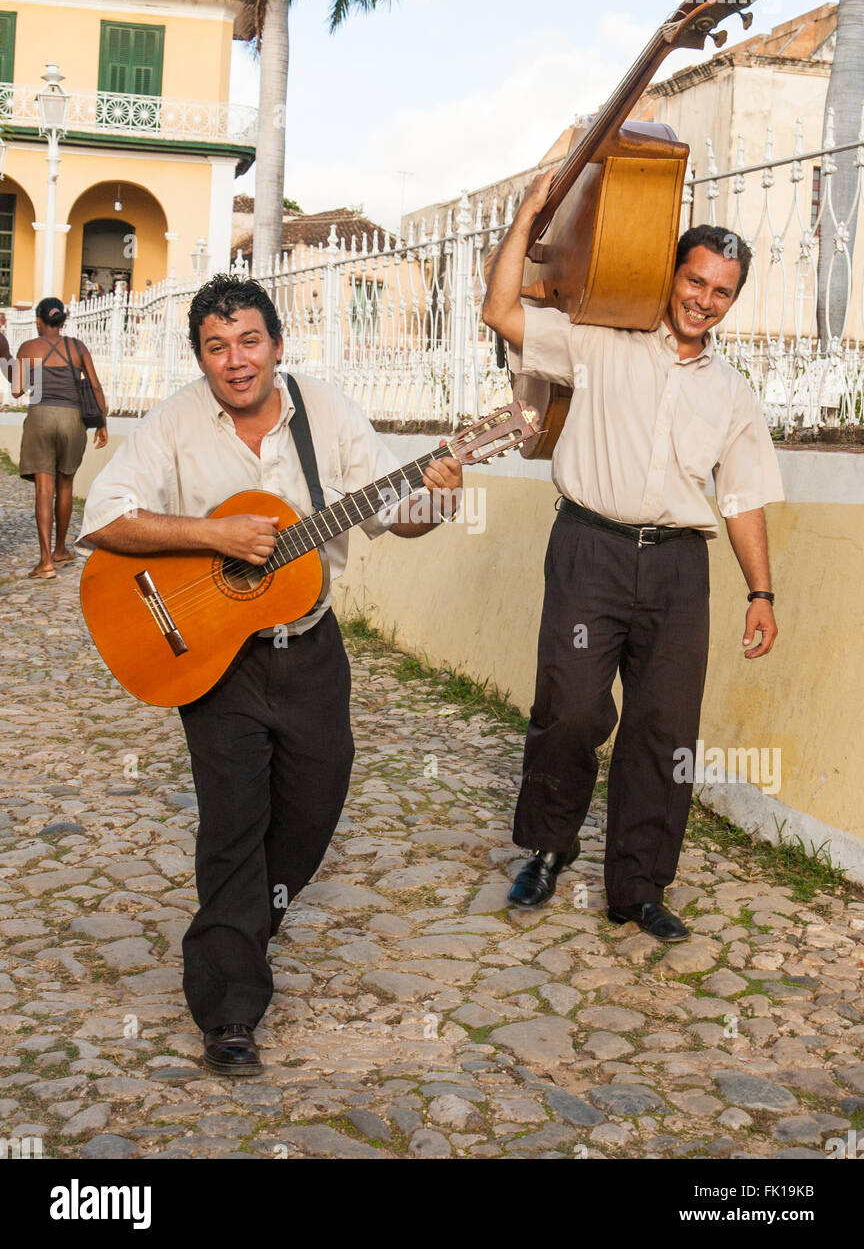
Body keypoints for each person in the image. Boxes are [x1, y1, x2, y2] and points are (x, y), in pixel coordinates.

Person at [77, 274, 463, 1074]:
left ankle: (241, 928)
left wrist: (440, 497)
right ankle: (229, 1011)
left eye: (249, 341)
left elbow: (403, 516)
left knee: (316, 801)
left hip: (311, 646)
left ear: (277, 346)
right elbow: (105, 517)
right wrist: (212, 533)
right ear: (201, 359)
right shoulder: (177, 422)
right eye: (217, 347)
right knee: (232, 821)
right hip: (215, 657)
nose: (236, 360)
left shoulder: (325, 413)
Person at [482, 170, 783, 940]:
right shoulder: (601, 341)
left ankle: (638, 887)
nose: (703, 300)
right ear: (672, 275)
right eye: (695, 281)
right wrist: (526, 219)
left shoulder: (734, 395)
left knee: (663, 729)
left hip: (681, 568)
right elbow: (502, 311)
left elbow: (742, 498)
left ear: (731, 301)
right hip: (590, 548)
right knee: (572, 707)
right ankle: (549, 848)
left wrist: (761, 593)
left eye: (721, 291)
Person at [12, 298, 108, 579]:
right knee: (65, 484)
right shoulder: (77, 347)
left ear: (39, 321)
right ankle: (61, 549)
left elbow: (18, 390)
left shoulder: (28, 348)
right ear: (63, 321)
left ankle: (45, 562)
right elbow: (95, 385)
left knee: (44, 489)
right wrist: (102, 422)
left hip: (40, 416)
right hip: (72, 419)